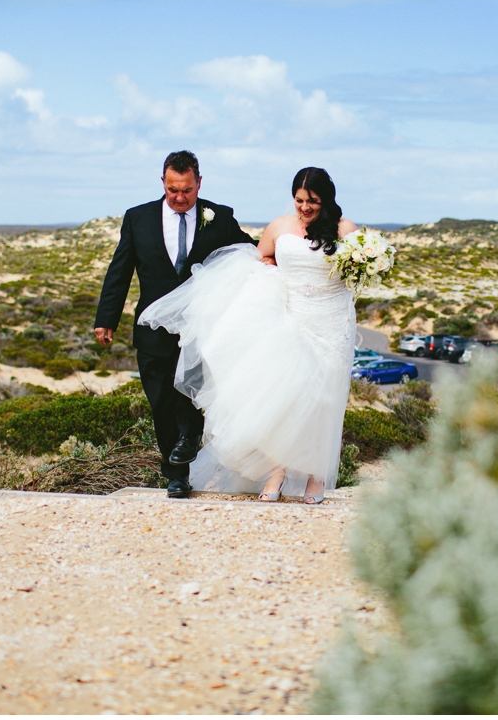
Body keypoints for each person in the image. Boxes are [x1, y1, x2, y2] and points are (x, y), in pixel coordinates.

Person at [139, 167, 357, 504]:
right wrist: (268, 265)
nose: (304, 207)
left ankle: (316, 477)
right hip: (293, 316)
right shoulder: (280, 226)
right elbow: (259, 256)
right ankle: (277, 470)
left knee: (325, 398)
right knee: (289, 397)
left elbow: (356, 269)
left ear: (326, 199)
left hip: (332, 320)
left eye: (312, 201)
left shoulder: (346, 230)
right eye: (299, 200)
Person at [94, 151, 255, 498]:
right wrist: (106, 319)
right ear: (163, 183)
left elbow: (249, 251)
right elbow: (119, 271)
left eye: (186, 190)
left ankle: (181, 464)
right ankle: (175, 471)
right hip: (152, 331)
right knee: (161, 403)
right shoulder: (138, 218)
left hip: (201, 330)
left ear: (199, 183)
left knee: (193, 396)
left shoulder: (220, 217)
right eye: (172, 190)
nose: (179, 197)